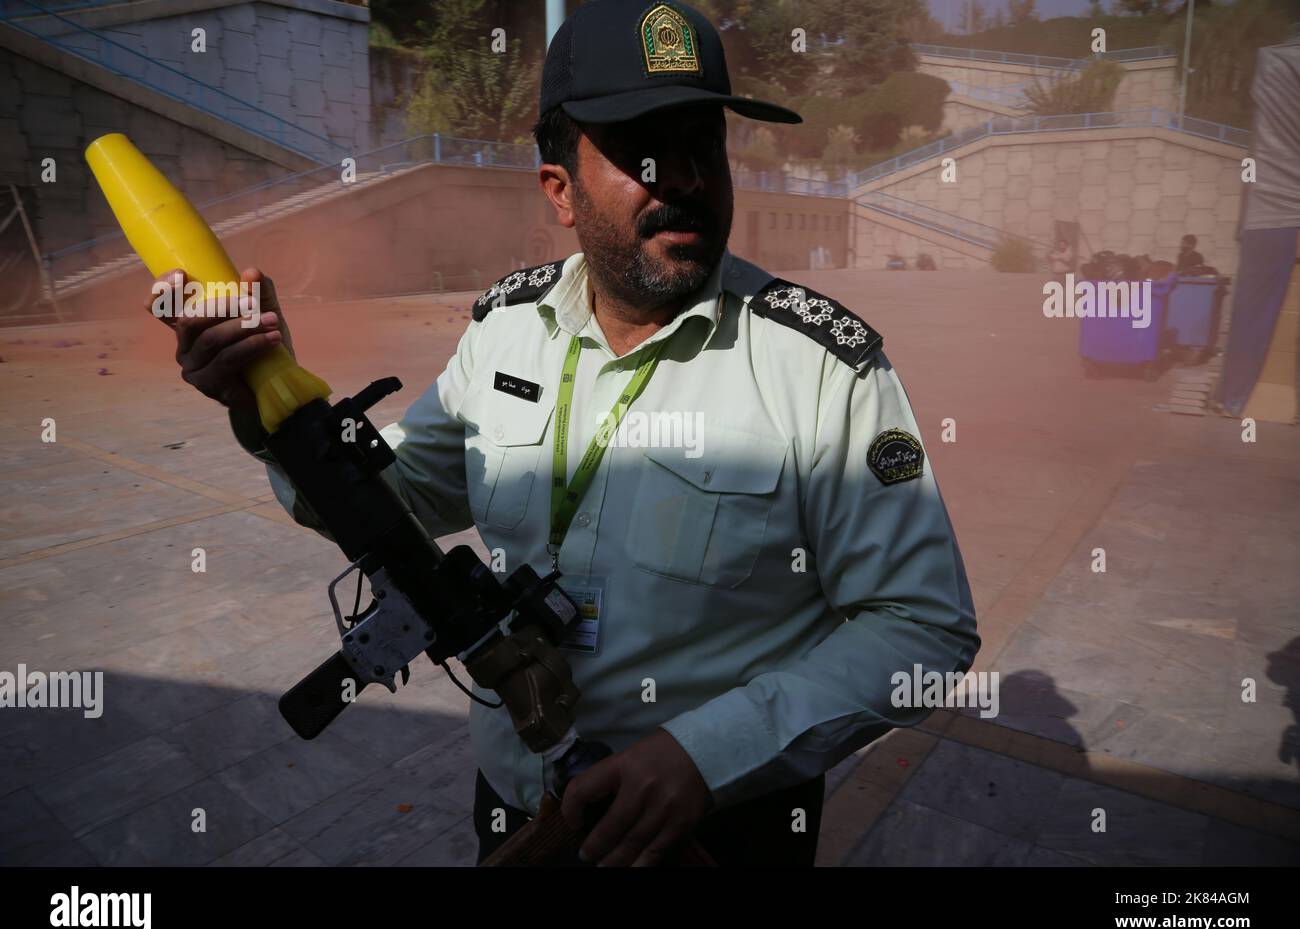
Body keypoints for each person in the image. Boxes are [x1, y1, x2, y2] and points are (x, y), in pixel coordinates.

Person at [152, 0, 979, 867]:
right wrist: (274, 411)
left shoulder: (821, 368)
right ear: (559, 189)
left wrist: (708, 753)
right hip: (517, 812)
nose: (684, 177)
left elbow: (922, 626)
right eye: (641, 151)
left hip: (718, 831)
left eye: (702, 144)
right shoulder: (506, 331)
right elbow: (395, 503)